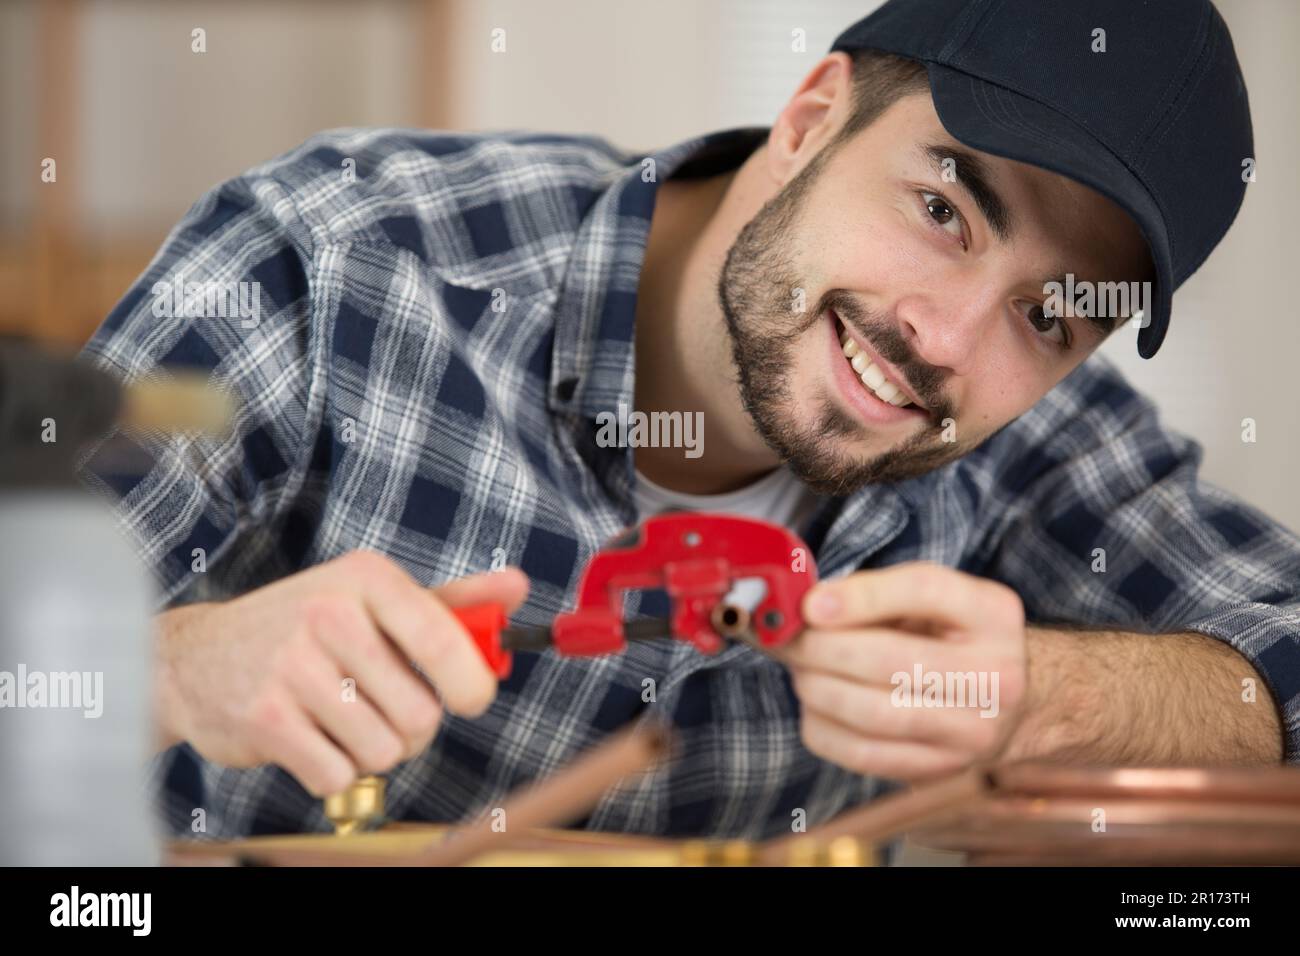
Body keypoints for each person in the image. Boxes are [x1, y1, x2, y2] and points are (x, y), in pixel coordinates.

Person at [81, 0, 1298, 840]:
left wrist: (1050, 694)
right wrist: (177, 667)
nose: (945, 339)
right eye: (941, 208)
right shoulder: (332, 256)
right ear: (812, 118)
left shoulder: (1029, 431)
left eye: (1049, 316)